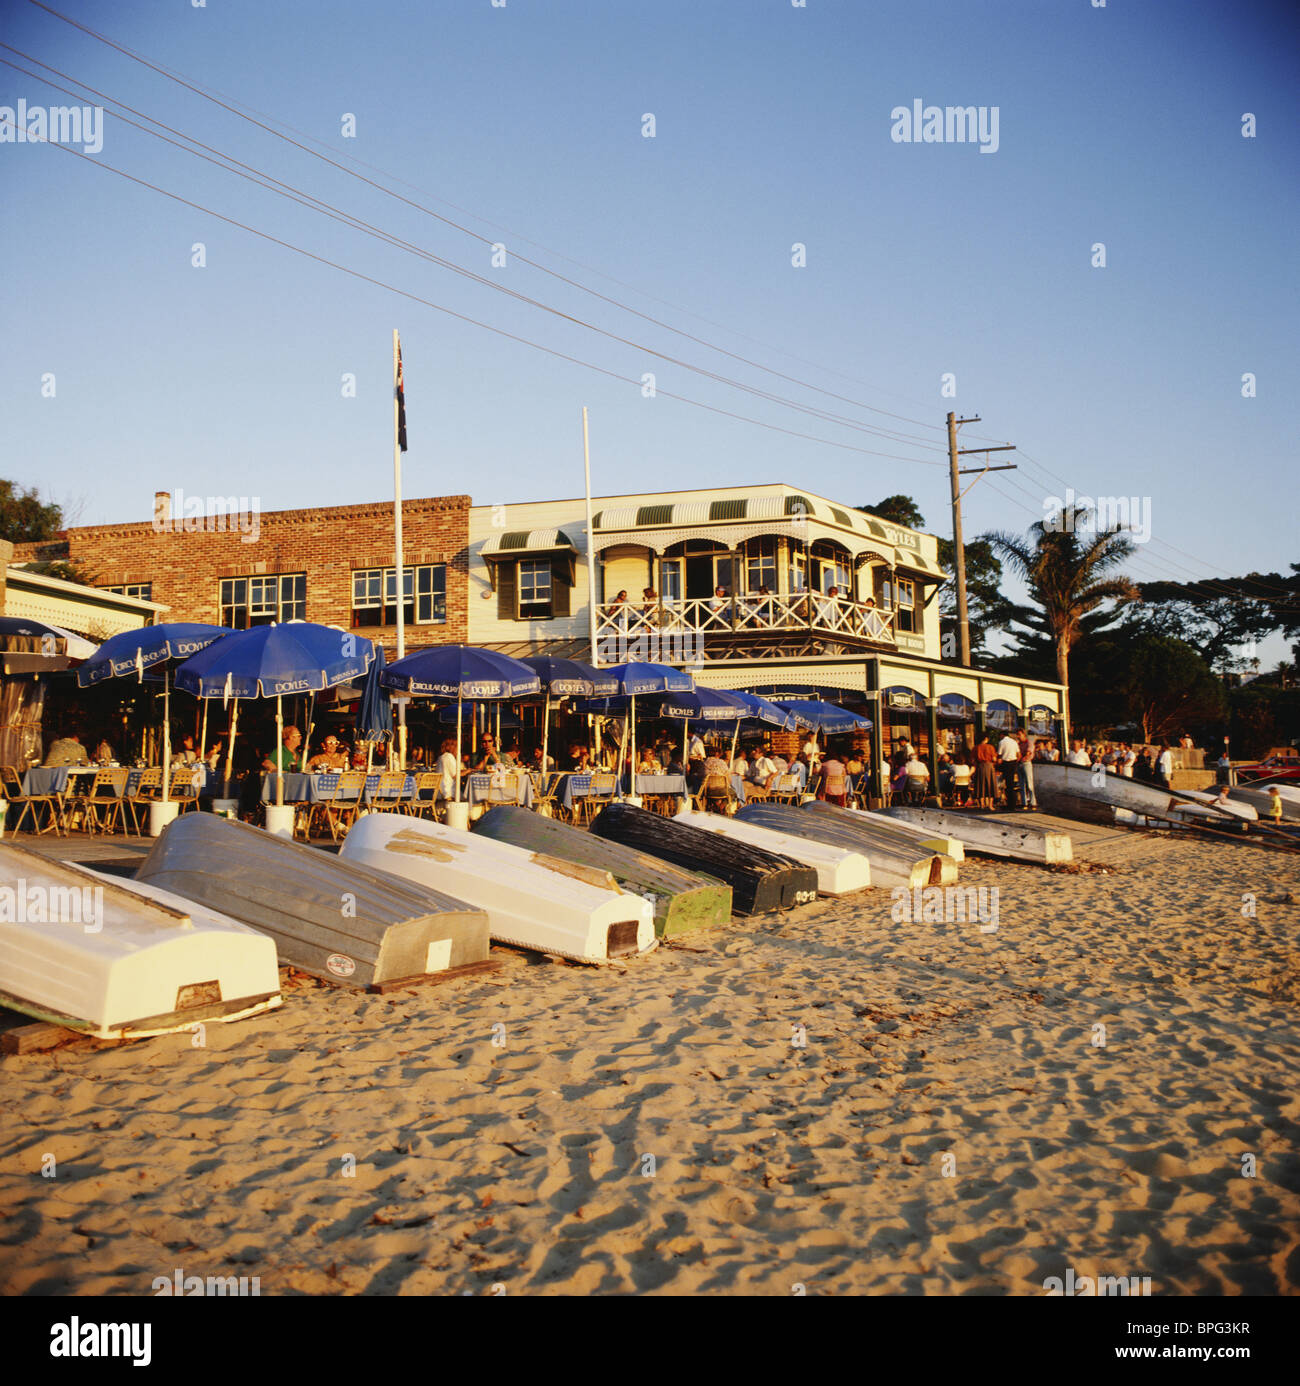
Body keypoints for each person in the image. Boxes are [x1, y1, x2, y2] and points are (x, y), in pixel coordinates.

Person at [996, 728, 1021, 808]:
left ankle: (1010, 804)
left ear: (1002, 735)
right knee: (1011, 783)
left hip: (1006, 763)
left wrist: (998, 764)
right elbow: (1018, 754)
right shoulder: (1014, 742)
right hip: (1013, 762)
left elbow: (999, 755)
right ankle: (1012, 802)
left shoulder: (1002, 742)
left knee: (1008, 783)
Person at [973, 733, 998, 811]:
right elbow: (994, 759)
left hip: (980, 766)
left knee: (980, 785)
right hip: (989, 766)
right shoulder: (990, 747)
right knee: (991, 785)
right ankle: (990, 805)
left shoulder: (976, 748)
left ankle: (982, 805)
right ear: (986, 739)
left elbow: (973, 760)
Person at [436, 737, 460, 803]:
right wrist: (468, 771)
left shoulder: (440, 757)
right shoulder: (449, 756)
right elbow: (455, 775)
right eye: (457, 746)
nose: (458, 750)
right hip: (448, 792)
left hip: (439, 792)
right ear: (450, 747)